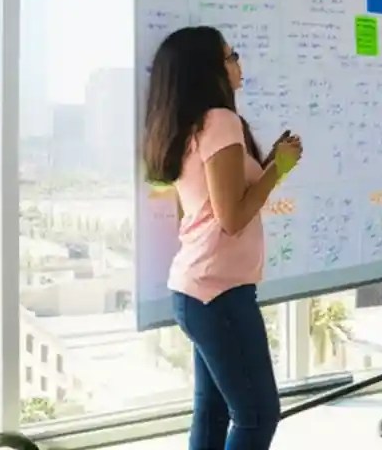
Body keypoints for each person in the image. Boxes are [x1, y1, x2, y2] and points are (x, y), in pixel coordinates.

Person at [143, 26, 303, 450]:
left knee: (213, 412)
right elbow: (232, 217)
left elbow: (214, 207)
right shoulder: (221, 120)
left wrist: (268, 165)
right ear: (209, 69)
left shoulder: (190, 125)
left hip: (197, 290)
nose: (238, 63)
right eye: (231, 56)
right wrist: (278, 169)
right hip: (220, 293)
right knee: (257, 415)